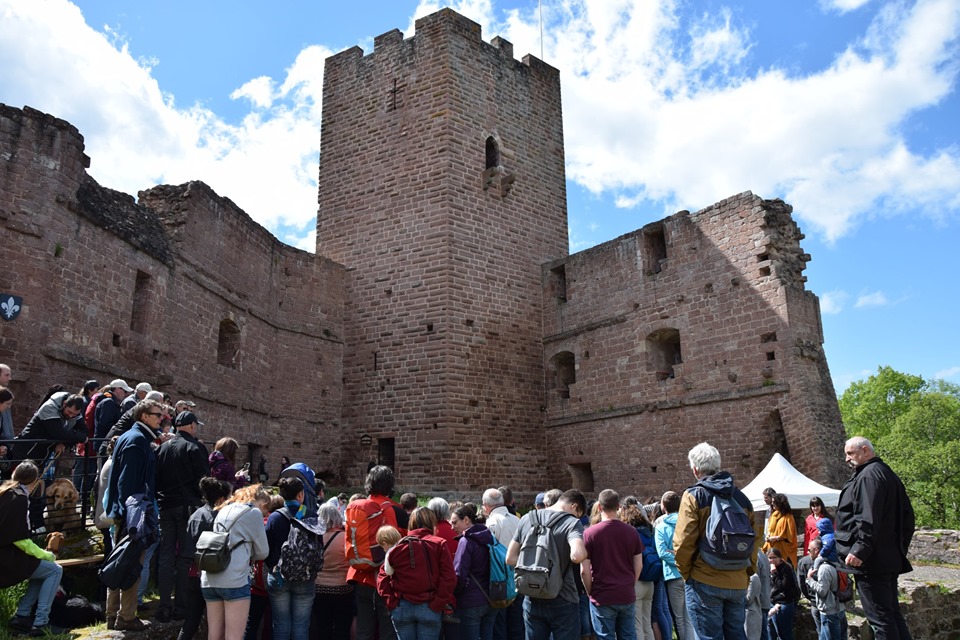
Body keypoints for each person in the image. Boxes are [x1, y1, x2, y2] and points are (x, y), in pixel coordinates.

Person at [673, 442, 761, 640]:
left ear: (695, 470)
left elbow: (683, 542)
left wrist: (688, 574)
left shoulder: (694, 495)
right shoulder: (743, 499)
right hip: (737, 580)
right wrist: (747, 573)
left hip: (704, 578)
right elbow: (755, 541)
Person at [836, 436, 914, 640]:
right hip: (886, 557)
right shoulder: (886, 473)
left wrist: (860, 548)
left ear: (865, 451)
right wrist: (898, 548)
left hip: (871, 561)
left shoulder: (868, 477)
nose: (846, 459)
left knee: (880, 620)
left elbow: (867, 517)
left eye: (850, 453)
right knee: (891, 615)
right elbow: (907, 518)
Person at [102, 399, 164, 632]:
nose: (161, 419)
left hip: (128, 511)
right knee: (131, 565)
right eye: (158, 415)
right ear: (144, 416)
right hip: (133, 515)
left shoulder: (134, 437)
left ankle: (112, 614)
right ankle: (126, 616)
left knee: (121, 562)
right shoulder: (137, 440)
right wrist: (134, 517)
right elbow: (126, 481)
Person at [506, 489, 588, 640]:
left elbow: (510, 558)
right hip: (564, 596)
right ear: (574, 506)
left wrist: (534, 567)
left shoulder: (527, 518)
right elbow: (577, 555)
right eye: (579, 513)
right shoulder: (572, 523)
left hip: (531, 594)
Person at [155, 411, 211, 622]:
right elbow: (204, 481)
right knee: (185, 557)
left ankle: (163, 606)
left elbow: (156, 479)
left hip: (166, 505)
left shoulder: (162, 448)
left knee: (166, 556)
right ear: (192, 426)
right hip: (188, 507)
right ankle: (180, 607)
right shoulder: (195, 448)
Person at [1, 461, 64, 636]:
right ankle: (40, 623)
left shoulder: (5, 491)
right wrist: (46, 554)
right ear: (35, 481)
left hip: (7, 554)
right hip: (6, 559)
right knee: (54, 570)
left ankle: (21, 616)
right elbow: (20, 540)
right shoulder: (18, 499)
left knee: (42, 568)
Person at [202, 484, 271, 640]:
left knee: (214, 636)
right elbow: (263, 552)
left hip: (210, 577)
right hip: (234, 579)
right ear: (262, 503)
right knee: (234, 636)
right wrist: (247, 551)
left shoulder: (224, 509)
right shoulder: (253, 513)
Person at [377, 507, 456, 640]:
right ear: (432, 523)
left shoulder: (398, 547)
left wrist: (392, 601)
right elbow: (449, 578)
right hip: (428, 605)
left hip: (403, 605)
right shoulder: (438, 544)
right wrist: (438, 603)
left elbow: (383, 577)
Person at [350, 464, 408, 640]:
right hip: (386, 580)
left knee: (364, 630)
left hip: (360, 575)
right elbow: (401, 547)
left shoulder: (357, 507)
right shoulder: (396, 510)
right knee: (388, 632)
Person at [265, 476, 324, 640]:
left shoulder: (274, 517)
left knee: (281, 625)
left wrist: (273, 566)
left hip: (278, 576)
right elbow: (319, 545)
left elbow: (266, 548)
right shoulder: (311, 515)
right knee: (301, 627)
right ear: (301, 495)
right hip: (305, 577)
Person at [581, 490, 643, 640]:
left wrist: (590, 591)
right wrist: (629, 583)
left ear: (600, 507)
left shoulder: (590, 533)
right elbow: (639, 564)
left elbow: (584, 570)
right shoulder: (631, 531)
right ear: (619, 506)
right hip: (625, 593)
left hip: (602, 594)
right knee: (628, 636)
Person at [180, 477, 232, 640]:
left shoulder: (196, 514)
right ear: (221, 499)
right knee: (217, 625)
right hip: (212, 575)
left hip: (193, 573)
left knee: (190, 622)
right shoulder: (219, 517)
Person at [452, 503, 498, 640]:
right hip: (492, 597)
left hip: (471, 601)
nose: (452, 527)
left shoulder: (465, 541)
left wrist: (457, 593)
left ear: (466, 520)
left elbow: (459, 573)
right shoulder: (489, 536)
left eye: (455, 523)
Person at [654, 491, 692, 640]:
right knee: (689, 616)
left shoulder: (661, 527)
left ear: (663, 507)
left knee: (679, 618)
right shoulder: (688, 523)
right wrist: (684, 559)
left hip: (673, 575)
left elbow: (662, 552)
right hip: (689, 572)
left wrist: (676, 559)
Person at [313, 502, 354, 640]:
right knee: (342, 628)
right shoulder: (344, 538)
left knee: (323, 627)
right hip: (343, 588)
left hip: (318, 588)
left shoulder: (314, 538)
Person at [805, 538, 844, 640]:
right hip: (839, 607)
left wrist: (809, 579)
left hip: (830, 610)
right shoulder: (835, 563)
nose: (807, 552)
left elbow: (822, 591)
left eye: (809, 550)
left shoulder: (824, 568)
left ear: (817, 550)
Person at [766, 549, 798, 640]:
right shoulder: (767, 568)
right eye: (769, 558)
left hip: (784, 603)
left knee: (784, 633)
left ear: (780, 558)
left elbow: (782, 586)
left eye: (774, 557)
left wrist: (775, 573)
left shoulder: (786, 568)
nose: (771, 560)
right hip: (772, 602)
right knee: (772, 630)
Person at [763, 494, 797, 569]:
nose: (772, 504)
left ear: (780, 503)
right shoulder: (773, 515)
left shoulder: (788, 517)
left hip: (782, 550)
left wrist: (776, 538)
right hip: (771, 547)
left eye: (774, 502)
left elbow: (790, 536)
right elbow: (770, 529)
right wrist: (769, 535)